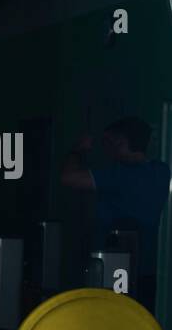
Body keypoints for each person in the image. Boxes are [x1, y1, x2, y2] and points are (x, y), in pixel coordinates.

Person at [61, 116, 171, 309]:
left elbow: (69, 178)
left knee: (109, 325)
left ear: (120, 143)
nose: (104, 148)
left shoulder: (117, 175)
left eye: (107, 142)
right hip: (146, 270)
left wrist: (78, 150)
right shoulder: (162, 172)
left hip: (112, 268)